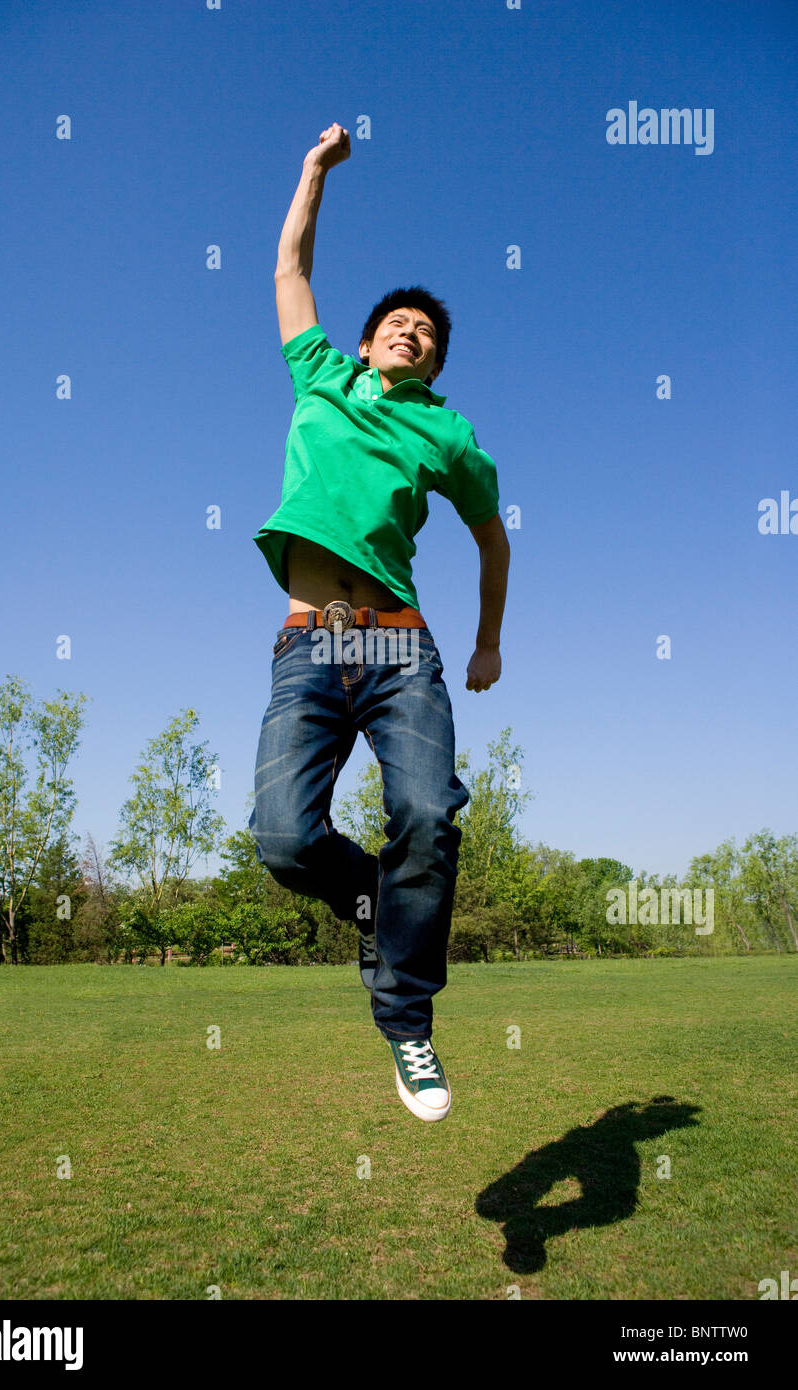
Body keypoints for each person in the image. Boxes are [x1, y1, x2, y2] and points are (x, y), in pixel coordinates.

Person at [249, 123, 510, 1122]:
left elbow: (493, 542)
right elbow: (288, 266)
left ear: (432, 363)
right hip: (310, 643)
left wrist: (487, 641)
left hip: (399, 648)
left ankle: (405, 1020)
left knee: (427, 812)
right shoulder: (318, 376)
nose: (410, 331)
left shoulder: (444, 431)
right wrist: (311, 170)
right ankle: (372, 903)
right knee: (279, 838)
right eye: (396, 323)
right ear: (364, 342)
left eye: (425, 332)